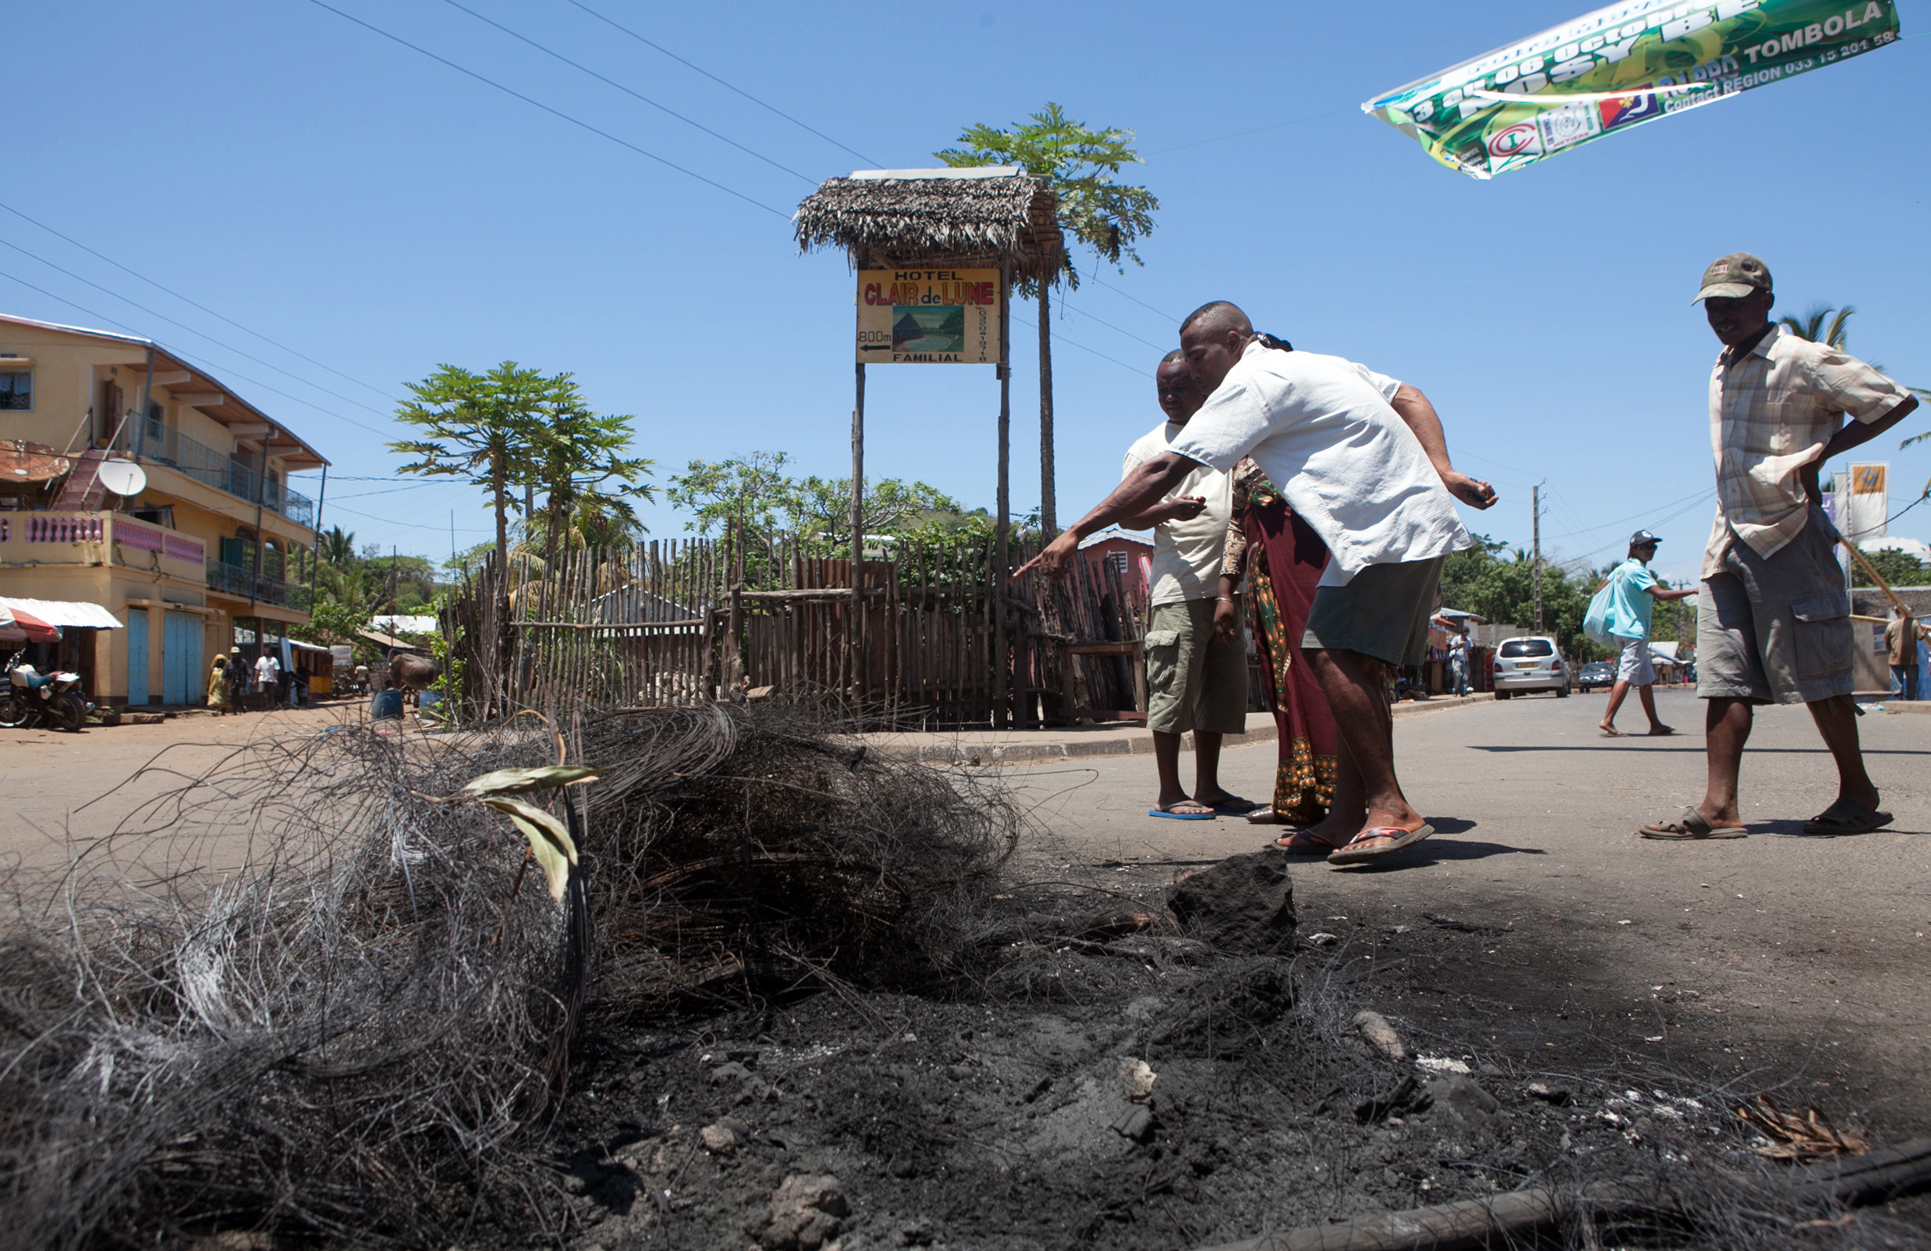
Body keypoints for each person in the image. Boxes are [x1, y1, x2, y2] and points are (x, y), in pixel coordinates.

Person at [1019, 302, 1498, 865]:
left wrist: (1076, 530)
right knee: (1334, 655)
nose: (1193, 372)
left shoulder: (1253, 380)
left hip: (1387, 529)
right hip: (1378, 530)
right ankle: (1345, 815)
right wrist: (1440, 468)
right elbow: (1408, 394)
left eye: (1198, 357)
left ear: (1234, 340)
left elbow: (1160, 471)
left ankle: (1390, 808)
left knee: (1337, 657)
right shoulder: (1319, 364)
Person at [1640, 253, 1920, 841]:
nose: (1722, 315)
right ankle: (1720, 808)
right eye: (1713, 305)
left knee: (1818, 674)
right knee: (1723, 678)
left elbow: (1894, 401)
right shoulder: (1721, 364)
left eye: (1734, 303)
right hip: (1726, 539)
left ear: (1764, 300)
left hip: (1788, 532)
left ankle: (1858, 792)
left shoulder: (1801, 356)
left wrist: (1823, 453)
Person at [1123, 351, 1257, 819]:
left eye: (1180, 387)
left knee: (1217, 696)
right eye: (1162, 388)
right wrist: (1168, 509)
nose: (1170, 397)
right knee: (1172, 693)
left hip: (1227, 591)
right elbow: (1127, 513)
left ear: (1204, 387)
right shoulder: (1149, 448)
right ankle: (1169, 792)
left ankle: (1209, 787)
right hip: (1178, 592)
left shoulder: (1228, 441)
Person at [1216, 455, 1338, 832]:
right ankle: (1296, 795)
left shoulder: (1311, 434)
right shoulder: (1242, 455)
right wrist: (1225, 591)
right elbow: (1237, 523)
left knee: (1326, 669)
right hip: (1265, 573)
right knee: (1282, 679)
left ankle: (1346, 794)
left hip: (1315, 565)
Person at [1597, 529, 1697, 737]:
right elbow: (1661, 595)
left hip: (1620, 628)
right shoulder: (1638, 571)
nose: (1651, 551)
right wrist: (1692, 591)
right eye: (1646, 547)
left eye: (1653, 546)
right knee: (1626, 674)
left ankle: (1655, 724)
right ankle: (1607, 719)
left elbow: (1601, 589)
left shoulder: (1621, 570)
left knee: (1645, 679)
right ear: (1634, 549)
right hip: (1635, 630)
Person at [1888, 605, 1927, 702]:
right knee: (1910, 679)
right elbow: (1920, 636)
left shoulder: (1893, 625)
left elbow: (1886, 641)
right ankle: (1907, 696)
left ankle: (1904, 696)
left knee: (1906, 679)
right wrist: (1923, 633)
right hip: (1909, 658)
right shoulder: (1914, 623)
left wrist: (1892, 652)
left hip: (1900, 657)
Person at [254, 648, 281, 713]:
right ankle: (263, 705)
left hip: (270, 679)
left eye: (268, 651)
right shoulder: (261, 659)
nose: (266, 652)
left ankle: (269, 706)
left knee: (270, 694)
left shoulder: (274, 660)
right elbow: (257, 669)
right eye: (265, 651)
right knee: (260, 692)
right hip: (262, 678)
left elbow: (276, 670)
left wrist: (275, 679)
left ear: (270, 652)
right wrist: (255, 679)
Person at [1447, 631, 1470, 696]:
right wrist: (1459, 644)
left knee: (1465, 677)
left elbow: (1471, 649)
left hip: (1465, 660)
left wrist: (1469, 650)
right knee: (1457, 674)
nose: (1465, 636)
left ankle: (1463, 691)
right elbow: (1451, 647)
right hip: (1457, 660)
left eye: (1466, 634)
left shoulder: (1468, 640)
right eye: (1464, 634)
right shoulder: (1456, 639)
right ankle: (1455, 689)